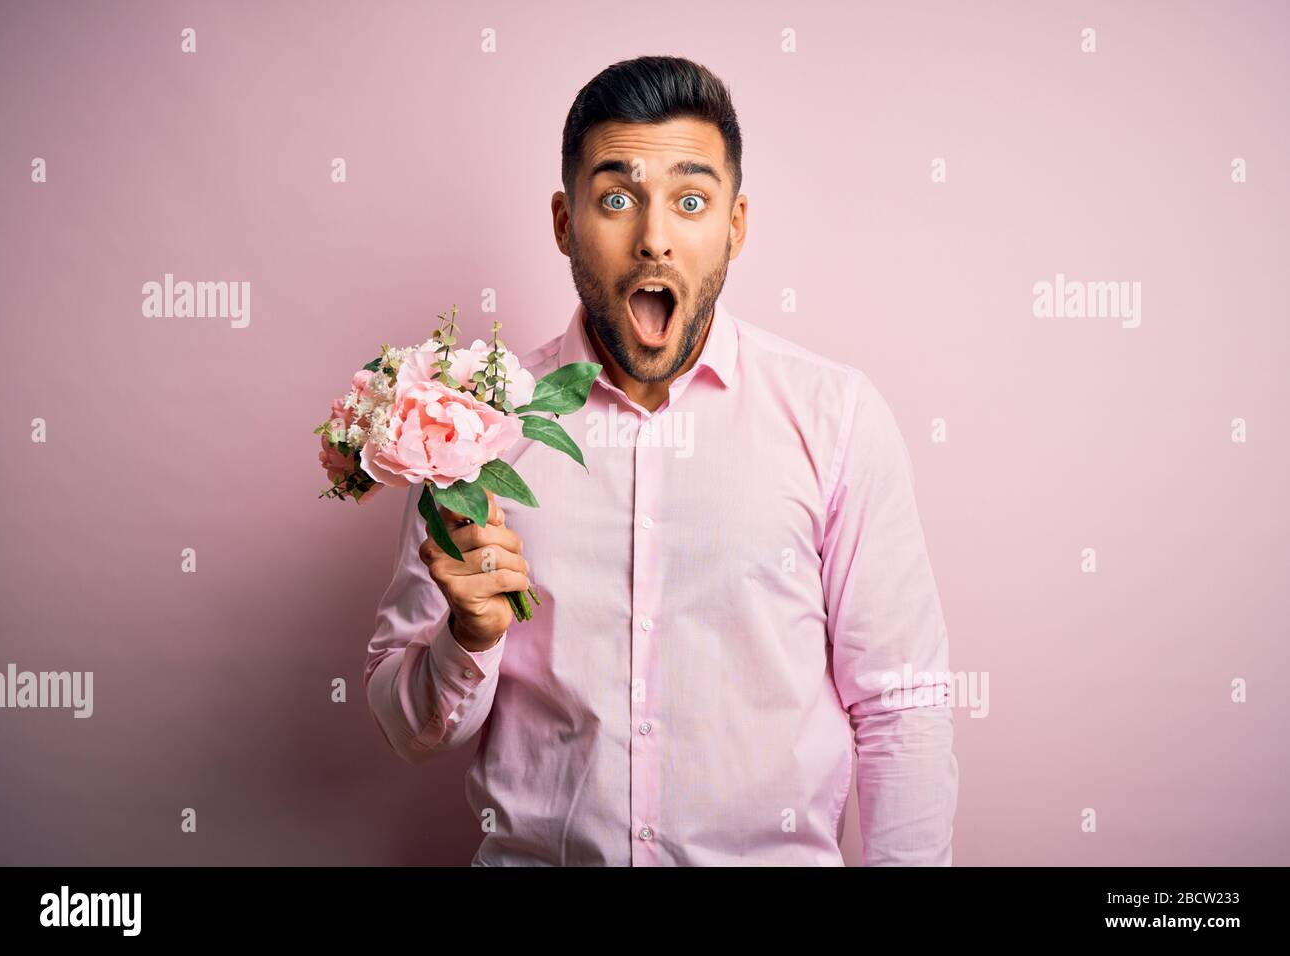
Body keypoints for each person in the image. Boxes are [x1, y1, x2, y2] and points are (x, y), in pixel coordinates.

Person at [364, 55, 959, 866]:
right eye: (616, 199)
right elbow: (407, 729)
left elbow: (902, 708)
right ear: (565, 223)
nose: (654, 238)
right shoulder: (475, 431)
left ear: (735, 225)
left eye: (690, 200)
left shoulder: (836, 418)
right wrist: (466, 638)